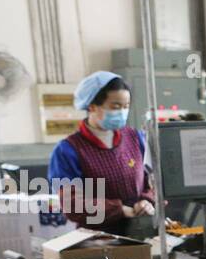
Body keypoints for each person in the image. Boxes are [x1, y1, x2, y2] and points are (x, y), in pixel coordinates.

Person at [48, 71, 156, 231]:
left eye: (126, 106)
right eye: (115, 106)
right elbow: (72, 204)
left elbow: (155, 182)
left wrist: (147, 201)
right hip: (96, 238)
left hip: (141, 229)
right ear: (92, 107)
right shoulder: (68, 150)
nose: (122, 112)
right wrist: (119, 210)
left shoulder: (136, 138)